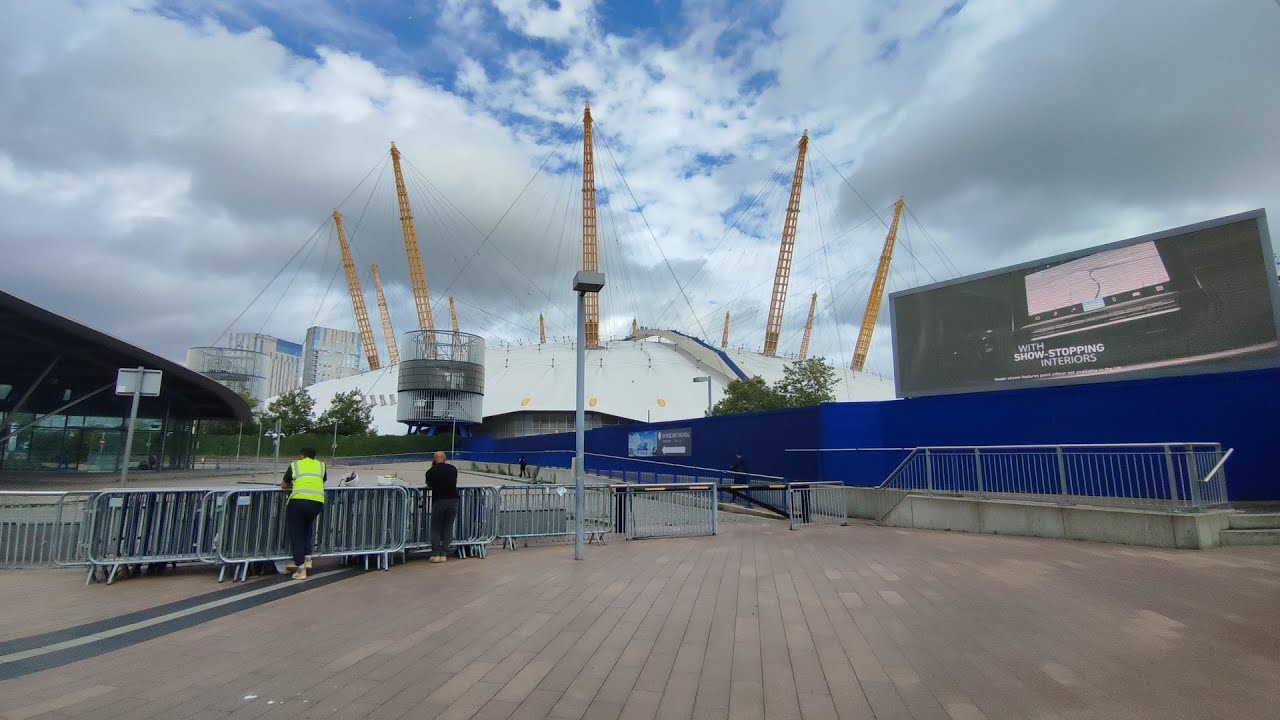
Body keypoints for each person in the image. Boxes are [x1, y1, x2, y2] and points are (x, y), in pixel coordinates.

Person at [281, 447, 326, 580]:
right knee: (308, 528)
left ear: (301, 456)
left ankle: (300, 569)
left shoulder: (295, 465)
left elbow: (284, 484)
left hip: (298, 502)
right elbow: (321, 481)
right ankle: (307, 559)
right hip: (317, 503)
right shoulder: (321, 466)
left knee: (296, 535)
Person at [425, 450, 459, 563]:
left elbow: (428, 483)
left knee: (436, 527)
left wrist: (433, 466)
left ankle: (436, 554)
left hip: (439, 501)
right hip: (453, 500)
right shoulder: (453, 469)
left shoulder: (431, 471)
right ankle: (444, 553)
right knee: (448, 526)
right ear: (445, 458)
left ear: (434, 459)